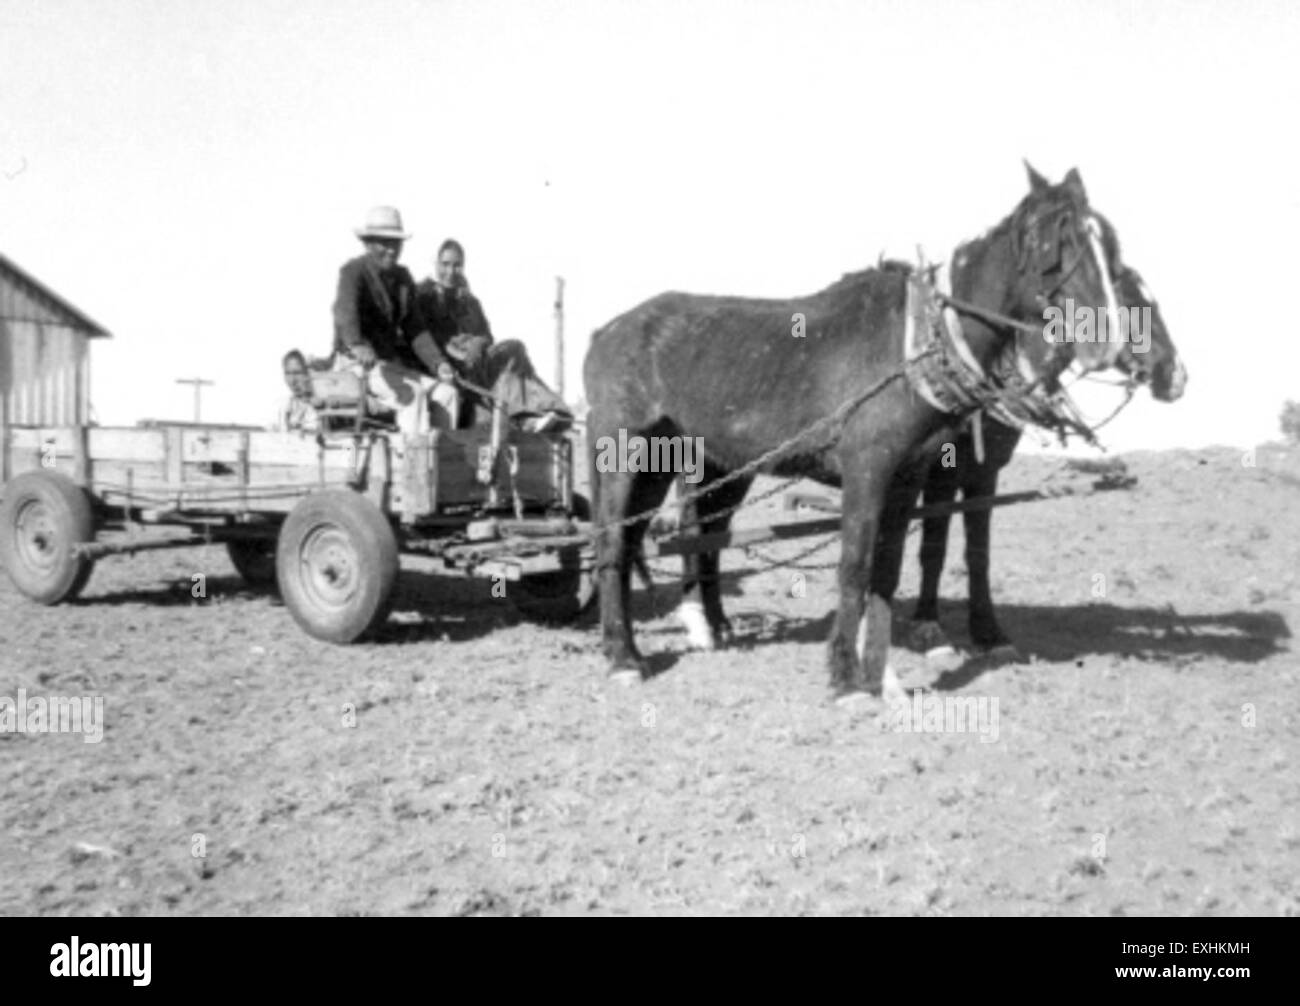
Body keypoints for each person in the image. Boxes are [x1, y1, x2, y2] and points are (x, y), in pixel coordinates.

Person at [415, 238, 572, 432]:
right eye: (445, 264)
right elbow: (422, 338)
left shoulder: (470, 301)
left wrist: (479, 342)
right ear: (436, 264)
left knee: (515, 349)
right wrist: (456, 351)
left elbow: (487, 336)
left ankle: (545, 411)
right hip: (449, 367)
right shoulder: (424, 296)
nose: (450, 271)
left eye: (457, 266)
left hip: (477, 362)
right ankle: (525, 417)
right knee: (503, 369)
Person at [333, 207, 461, 433]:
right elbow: (345, 313)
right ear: (368, 243)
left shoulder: (402, 278)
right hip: (355, 366)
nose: (391, 250)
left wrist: (438, 363)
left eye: (396, 243)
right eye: (384, 243)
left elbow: (416, 329)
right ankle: (414, 464)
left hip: (386, 367)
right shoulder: (353, 272)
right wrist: (358, 344)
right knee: (412, 395)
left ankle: (440, 460)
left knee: (447, 394)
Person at [275, 349, 320, 433]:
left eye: (297, 373)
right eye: (287, 373)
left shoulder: (323, 407)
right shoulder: (282, 406)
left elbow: (348, 445)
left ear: (308, 373)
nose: (292, 380)